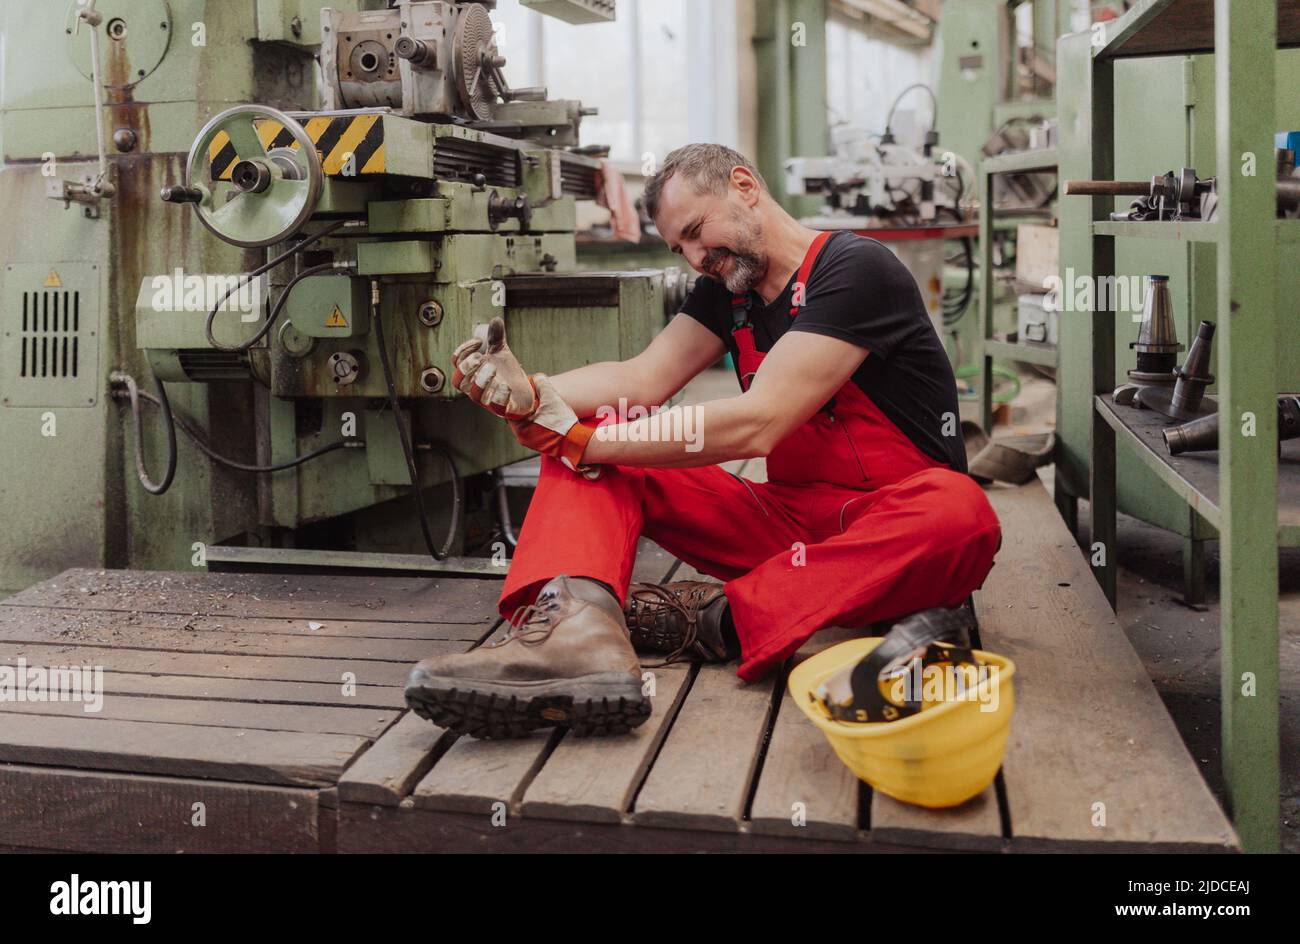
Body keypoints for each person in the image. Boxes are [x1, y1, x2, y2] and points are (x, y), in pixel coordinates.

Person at [404, 143, 1002, 740]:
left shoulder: (855, 270)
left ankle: (711, 619)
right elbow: (641, 379)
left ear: (744, 185)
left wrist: (582, 439)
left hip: (895, 535)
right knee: (599, 440)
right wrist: (533, 393)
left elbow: (759, 421)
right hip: (789, 532)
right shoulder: (728, 293)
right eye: (679, 248)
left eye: (696, 231)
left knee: (960, 513)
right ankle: (576, 634)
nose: (695, 259)